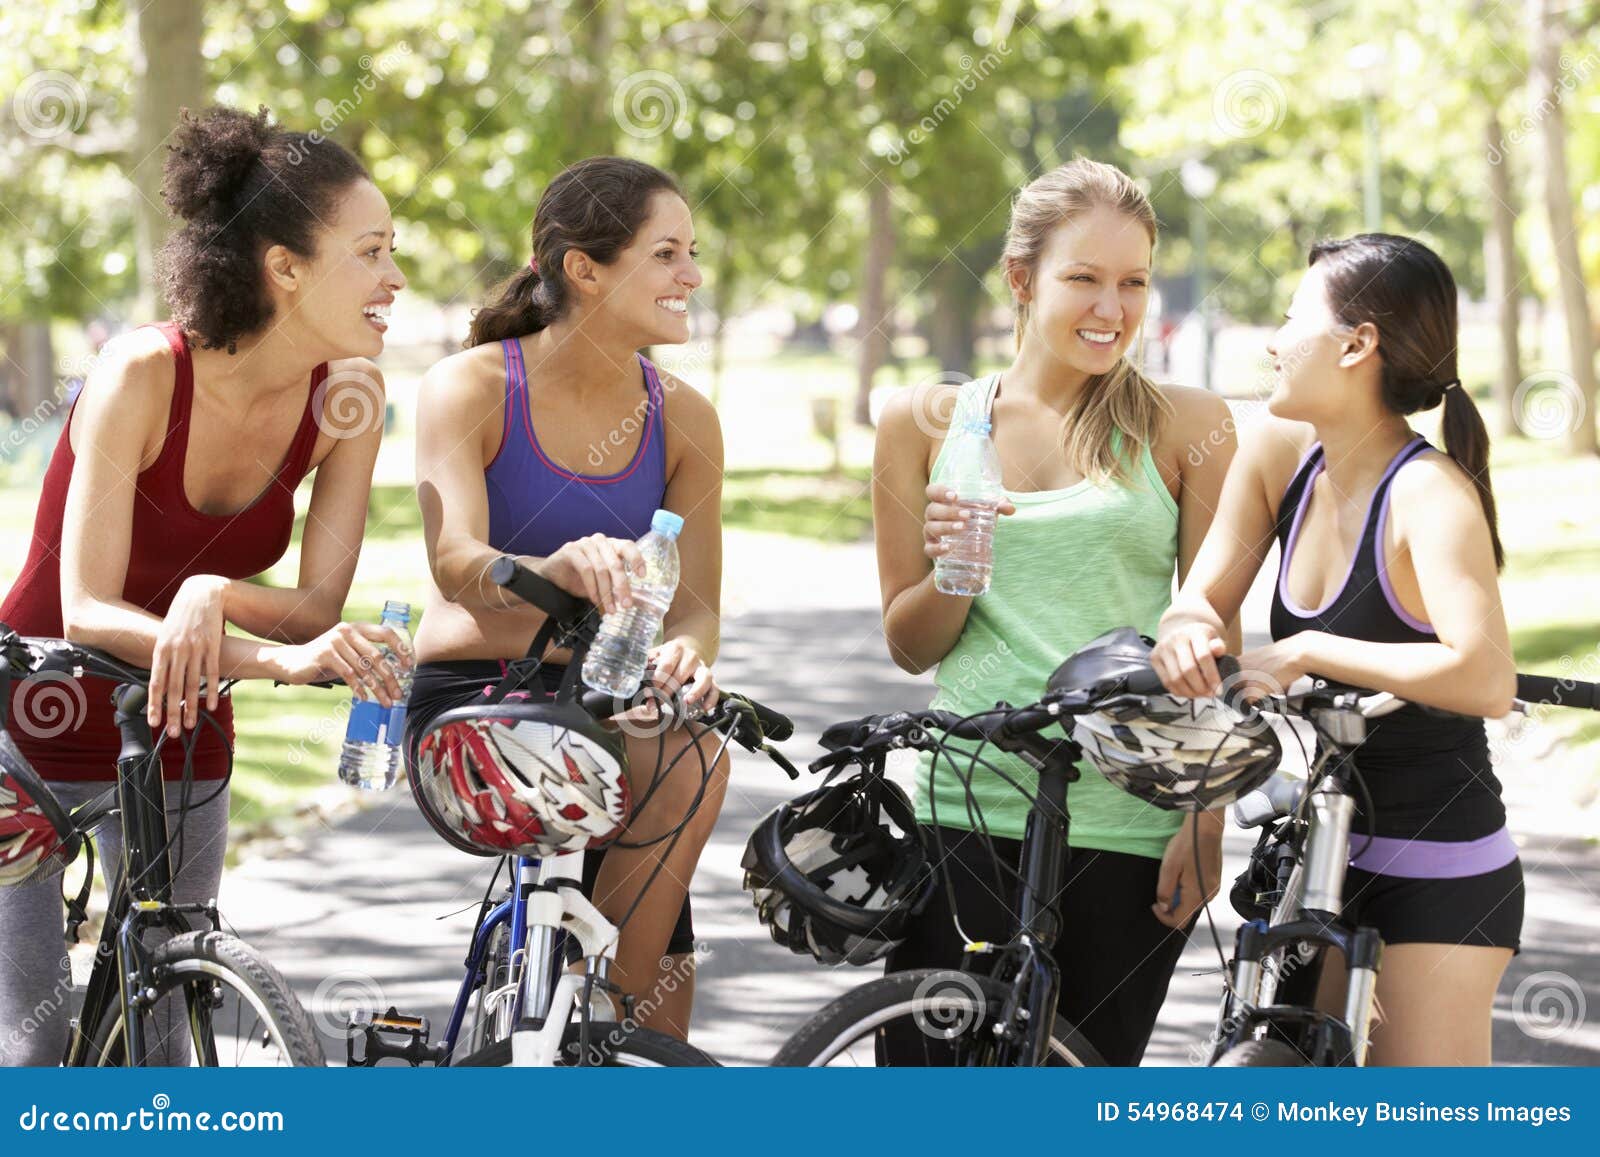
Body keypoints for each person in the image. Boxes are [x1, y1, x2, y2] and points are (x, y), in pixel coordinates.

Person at [0, 105, 409, 1065]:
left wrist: (212, 593)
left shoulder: (351, 400)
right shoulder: (143, 370)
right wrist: (271, 653)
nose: (395, 279)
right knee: (35, 1035)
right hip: (34, 715)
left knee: (167, 1026)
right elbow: (86, 608)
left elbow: (317, 605)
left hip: (185, 722)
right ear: (286, 267)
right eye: (373, 251)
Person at [870, 158, 1238, 1065]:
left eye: (1134, 282)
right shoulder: (925, 423)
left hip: (1131, 811)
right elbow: (910, 646)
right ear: (1022, 278)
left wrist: (1206, 812)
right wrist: (956, 571)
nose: (1112, 308)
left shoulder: (1186, 426)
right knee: (930, 1097)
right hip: (966, 799)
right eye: (1084, 278)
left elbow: (1211, 630)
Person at [1151, 233, 1518, 1066]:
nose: (1273, 342)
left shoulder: (1430, 492)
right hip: (1321, 855)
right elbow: (1201, 599)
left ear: (1358, 345)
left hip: (1440, 866)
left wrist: (1314, 647)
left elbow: (1486, 675)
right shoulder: (1281, 455)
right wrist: (1187, 636)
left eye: (1291, 319)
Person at [409, 156, 725, 1041]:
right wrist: (556, 562)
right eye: (666, 254)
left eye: (690, 253)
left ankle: (600, 1032)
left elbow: (697, 605)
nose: (691, 276)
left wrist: (687, 650)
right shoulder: (471, 386)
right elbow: (454, 560)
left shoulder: (686, 417)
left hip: (619, 707)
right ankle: (600, 1034)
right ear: (585, 268)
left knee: (671, 1004)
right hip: (481, 694)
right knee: (687, 764)